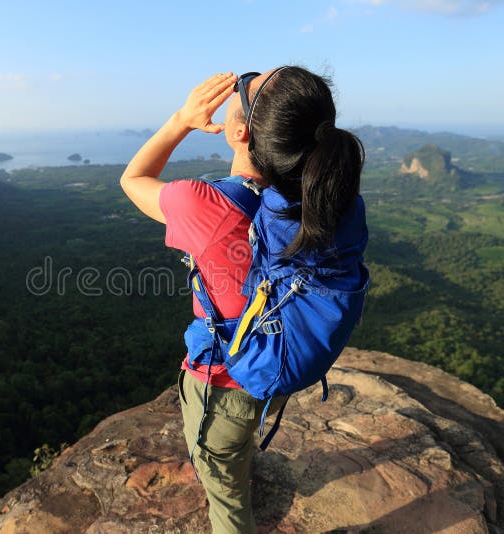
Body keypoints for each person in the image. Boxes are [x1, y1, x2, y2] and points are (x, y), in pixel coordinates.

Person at [120, 66, 365, 533]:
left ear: (240, 132)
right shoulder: (324, 199)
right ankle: (241, 455)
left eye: (243, 90)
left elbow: (133, 179)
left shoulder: (203, 205)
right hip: (278, 361)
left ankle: (233, 477)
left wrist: (180, 120)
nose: (235, 87)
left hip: (219, 383)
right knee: (242, 436)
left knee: (226, 501)